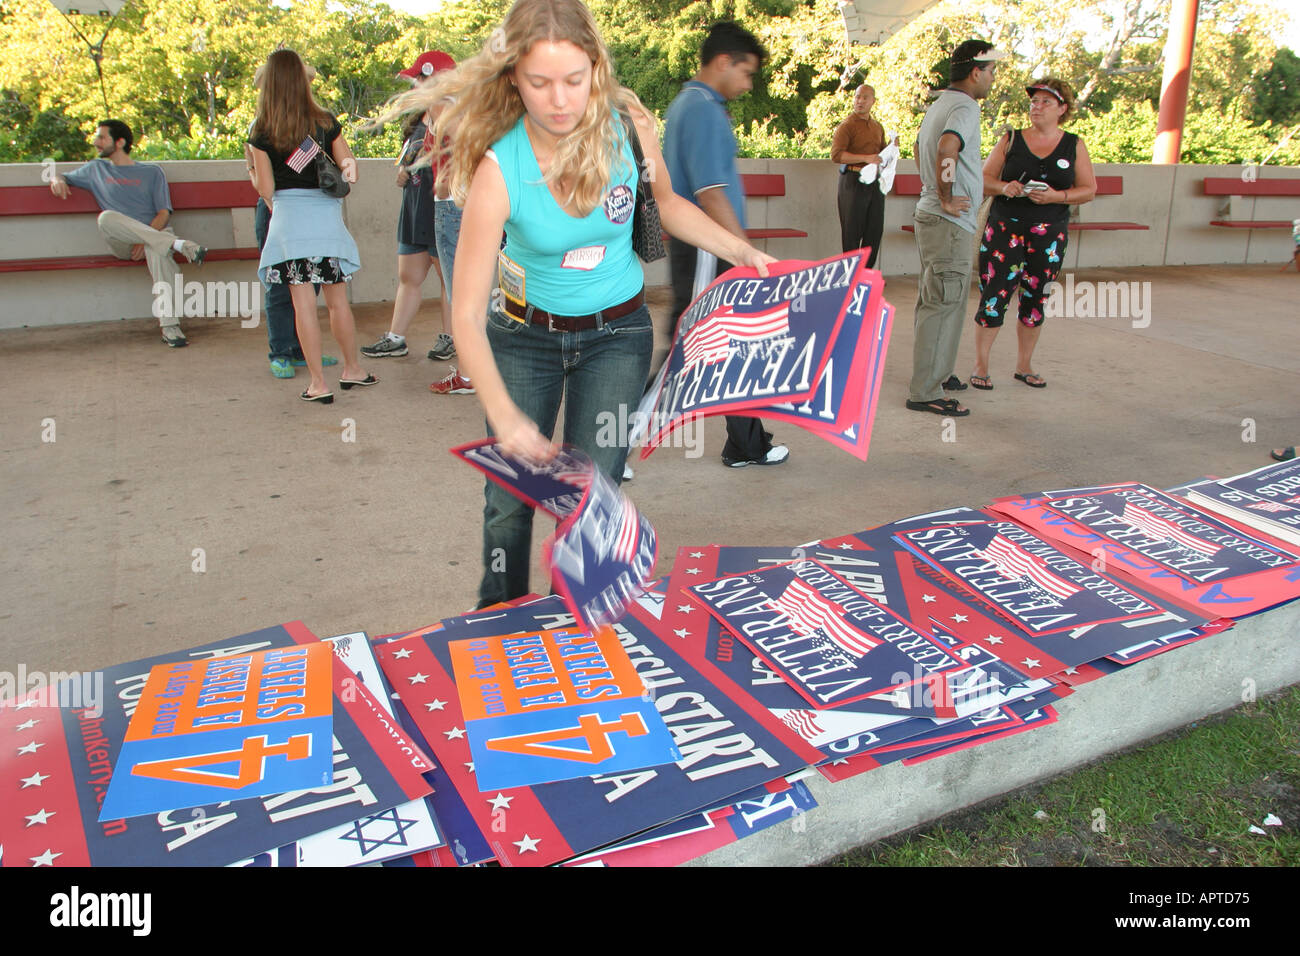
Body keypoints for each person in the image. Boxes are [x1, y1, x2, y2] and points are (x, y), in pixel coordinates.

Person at [412, 0, 774, 606]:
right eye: (539, 82)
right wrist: (503, 416)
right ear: (512, 80)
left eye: (574, 80)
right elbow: (466, 315)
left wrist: (738, 250)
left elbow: (669, 202)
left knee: (593, 495)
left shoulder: (627, 128)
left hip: (617, 337)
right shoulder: (501, 168)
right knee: (509, 501)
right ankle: (497, 619)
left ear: (596, 71)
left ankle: (575, 627)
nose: (559, 100)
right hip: (523, 336)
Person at [663, 21, 789, 469]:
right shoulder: (700, 108)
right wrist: (742, 249)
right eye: (747, 72)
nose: (748, 82)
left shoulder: (694, 104)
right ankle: (611, 447)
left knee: (734, 345)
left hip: (707, 246)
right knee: (682, 348)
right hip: (707, 248)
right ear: (722, 62)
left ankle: (746, 443)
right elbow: (710, 191)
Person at [248, 48, 373, 404]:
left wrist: (252, 170)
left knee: (303, 306)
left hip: (290, 223)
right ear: (304, 80)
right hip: (326, 221)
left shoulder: (262, 130)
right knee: (337, 303)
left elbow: (267, 190)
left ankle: (318, 384)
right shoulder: (323, 120)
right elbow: (351, 169)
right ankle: (353, 369)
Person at [969, 78, 1095, 391]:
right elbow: (983, 179)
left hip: (1049, 235)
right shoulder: (1011, 140)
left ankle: (1024, 365)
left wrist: (1057, 197)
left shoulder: (1074, 144)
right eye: (1034, 102)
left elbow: (1089, 189)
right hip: (1004, 230)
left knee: (1036, 298)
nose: (1036, 107)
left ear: (1062, 109)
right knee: (994, 295)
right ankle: (981, 366)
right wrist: (1004, 187)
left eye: (1045, 102)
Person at [906, 39, 1006, 418]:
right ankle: (925, 390)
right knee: (943, 302)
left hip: (935, 217)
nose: (993, 78)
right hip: (947, 220)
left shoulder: (941, 104)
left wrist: (932, 188)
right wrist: (945, 196)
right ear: (975, 71)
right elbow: (947, 148)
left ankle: (938, 372)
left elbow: (919, 148)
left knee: (939, 299)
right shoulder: (964, 106)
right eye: (992, 71)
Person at [49, 119, 207, 348]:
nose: (96, 142)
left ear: (120, 142)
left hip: (155, 233)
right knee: (106, 218)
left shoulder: (152, 172)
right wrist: (56, 179)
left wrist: (145, 240)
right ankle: (181, 245)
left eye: (102, 137)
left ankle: (170, 328)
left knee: (158, 251)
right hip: (123, 241)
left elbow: (164, 213)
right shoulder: (96, 169)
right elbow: (64, 176)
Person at [362, 50, 461, 368]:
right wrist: (403, 172)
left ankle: (452, 338)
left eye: (419, 78)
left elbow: (465, 158)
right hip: (417, 203)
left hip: (444, 205)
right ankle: (396, 338)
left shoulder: (454, 112)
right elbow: (408, 157)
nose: (414, 85)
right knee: (409, 274)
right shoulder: (422, 117)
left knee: (450, 278)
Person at [246, 57, 334, 378]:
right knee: (281, 285)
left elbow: (300, 167)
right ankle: (281, 350)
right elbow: (266, 183)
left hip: (307, 212)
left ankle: (302, 350)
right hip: (277, 213)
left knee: (310, 284)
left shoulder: (316, 122)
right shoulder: (260, 126)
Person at [831, 83, 887, 268]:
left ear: (873, 101)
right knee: (852, 233)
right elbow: (836, 155)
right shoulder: (847, 126)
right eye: (857, 97)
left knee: (874, 231)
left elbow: (882, 154)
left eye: (864, 97)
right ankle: (850, 277)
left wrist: (892, 149)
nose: (860, 101)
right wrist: (865, 158)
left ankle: (866, 275)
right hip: (853, 181)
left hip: (875, 182)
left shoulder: (877, 127)